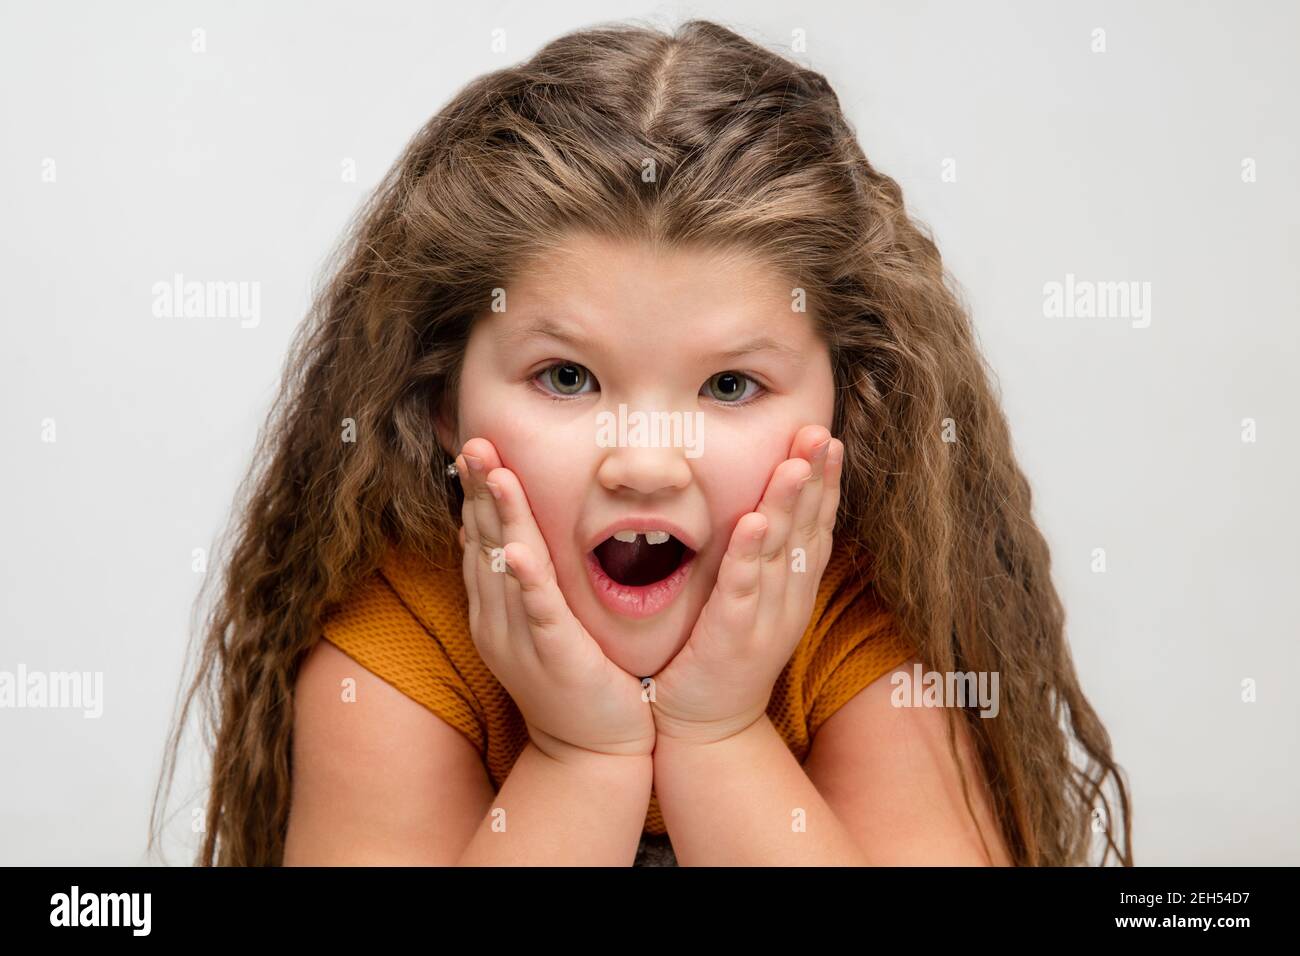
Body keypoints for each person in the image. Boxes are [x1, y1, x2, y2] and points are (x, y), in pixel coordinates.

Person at [152, 18, 1132, 867]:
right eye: (568, 377)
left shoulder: (863, 630)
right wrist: (580, 755)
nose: (646, 459)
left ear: (848, 408)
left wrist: (719, 733)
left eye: (729, 384)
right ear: (439, 403)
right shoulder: (398, 648)